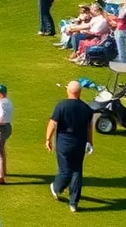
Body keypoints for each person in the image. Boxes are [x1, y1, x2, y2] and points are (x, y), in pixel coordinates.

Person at [47, 80, 95, 213]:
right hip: (79, 143)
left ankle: (57, 187)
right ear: (80, 92)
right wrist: (90, 142)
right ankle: (74, 203)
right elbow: (89, 128)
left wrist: (48, 139)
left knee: (65, 170)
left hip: (64, 142)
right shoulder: (86, 108)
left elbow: (53, 123)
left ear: (68, 91)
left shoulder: (61, 105)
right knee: (77, 171)